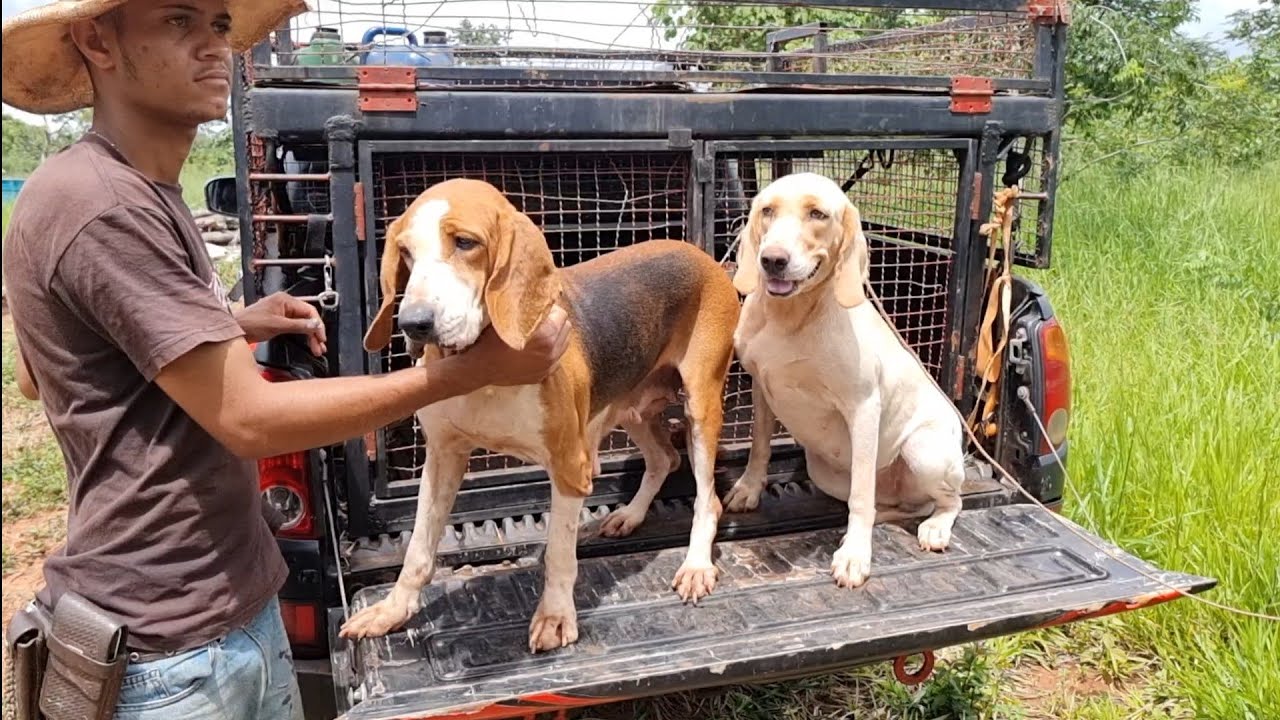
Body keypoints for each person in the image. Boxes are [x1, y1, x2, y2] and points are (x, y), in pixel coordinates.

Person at [0, 1, 572, 718]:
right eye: (179, 21)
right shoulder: (105, 206)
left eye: (217, 24)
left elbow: (39, 369)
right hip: (172, 650)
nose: (215, 46)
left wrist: (223, 324)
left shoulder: (122, 187)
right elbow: (252, 421)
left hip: (225, 610)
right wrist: (465, 372)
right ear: (96, 39)